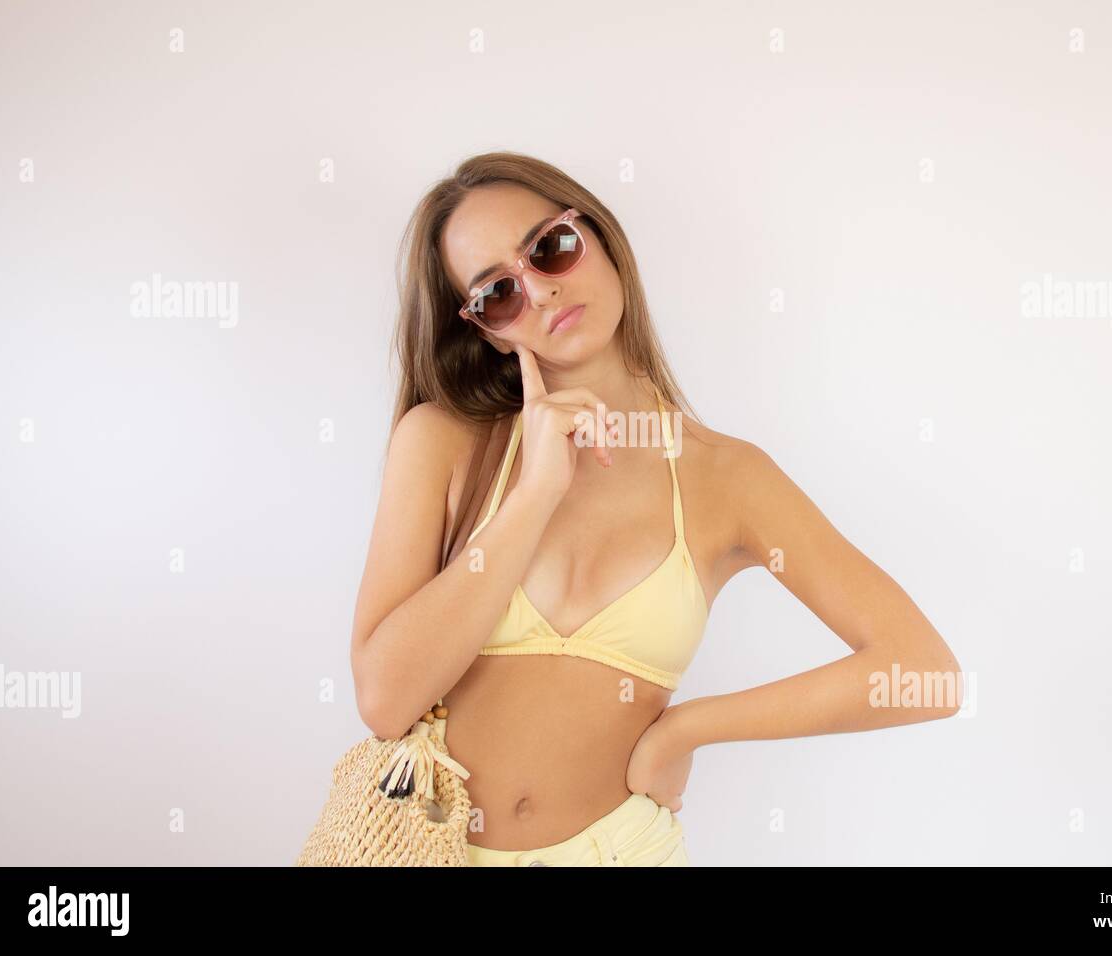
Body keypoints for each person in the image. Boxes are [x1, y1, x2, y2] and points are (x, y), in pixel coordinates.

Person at [348, 151, 962, 866]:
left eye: (550, 249)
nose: (541, 293)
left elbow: (923, 672)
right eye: (498, 293)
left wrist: (687, 730)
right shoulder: (443, 443)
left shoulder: (729, 478)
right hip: (418, 847)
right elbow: (386, 701)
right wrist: (536, 492)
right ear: (485, 331)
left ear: (600, 236)